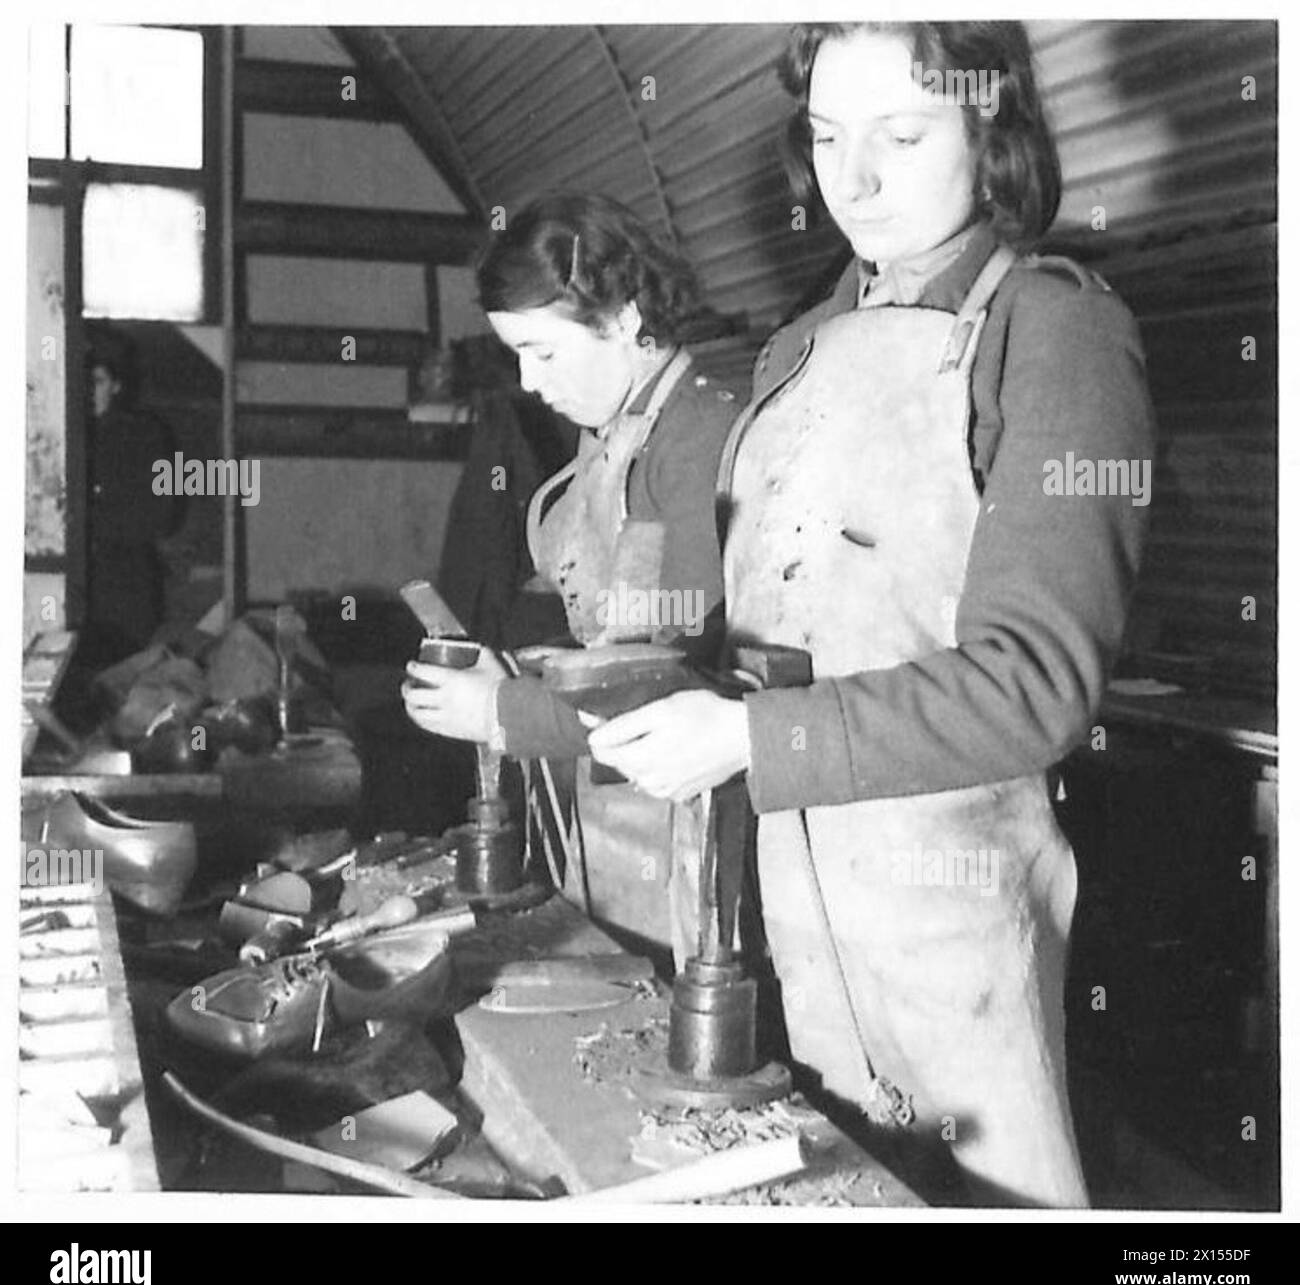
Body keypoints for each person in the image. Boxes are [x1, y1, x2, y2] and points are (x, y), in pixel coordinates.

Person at [586, 22, 1155, 1207]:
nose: (854, 180)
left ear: (989, 131)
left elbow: (1034, 682)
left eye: (902, 135)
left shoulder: (1053, 331)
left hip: (954, 933)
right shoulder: (798, 346)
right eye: (827, 137)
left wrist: (750, 739)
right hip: (783, 919)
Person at [401, 194, 740, 965]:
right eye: (516, 355)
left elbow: (667, 681)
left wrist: (500, 711)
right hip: (622, 815)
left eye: (544, 352)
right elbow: (619, 634)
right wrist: (516, 672)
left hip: (701, 835)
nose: (528, 381)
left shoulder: (699, 441)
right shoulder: (613, 437)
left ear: (622, 319)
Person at [83, 329, 182, 665]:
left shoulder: (142, 436)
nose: (85, 392)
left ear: (116, 385)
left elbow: (160, 516)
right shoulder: (53, 438)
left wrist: (89, 521)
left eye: (95, 381)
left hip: (122, 596)